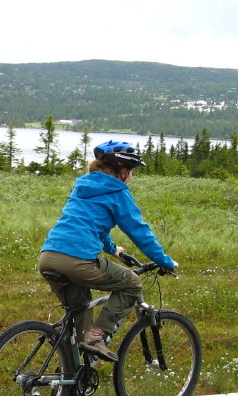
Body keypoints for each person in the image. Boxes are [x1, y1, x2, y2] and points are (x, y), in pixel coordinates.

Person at [37, 140, 177, 362]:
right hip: (78, 262)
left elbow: (90, 224)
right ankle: (98, 336)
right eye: (132, 171)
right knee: (132, 283)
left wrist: (114, 250)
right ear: (122, 171)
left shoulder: (82, 186)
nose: (132, 176)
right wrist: (166, 262)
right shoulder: (118, 192)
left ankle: (67, 385)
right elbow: (139, 232)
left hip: (48, 257)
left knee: (79, 315)